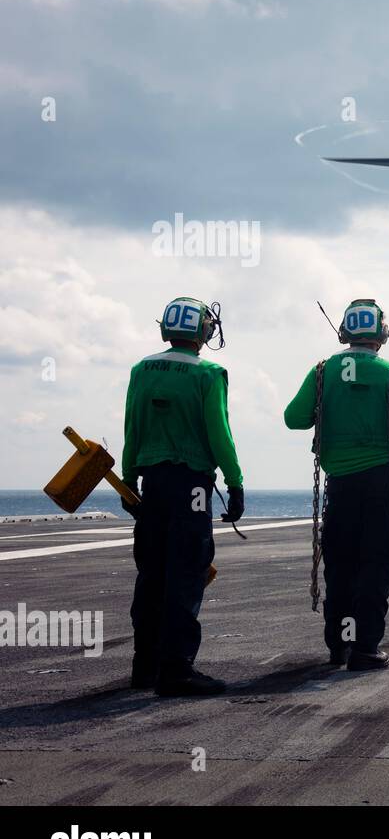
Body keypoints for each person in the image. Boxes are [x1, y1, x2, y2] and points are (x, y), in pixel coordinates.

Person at [284, 299, 389, 671]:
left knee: (341, 565)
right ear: (381, 334)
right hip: (383, 483)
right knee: (377, 564)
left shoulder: (323, 371)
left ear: (345, 332)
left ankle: (341, 645)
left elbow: (293, 418)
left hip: (341, 484)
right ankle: (366, 647)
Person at [122, 297, 243, 697]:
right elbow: (218, 433)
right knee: (187, 574)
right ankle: (176, 670)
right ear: (203, 331)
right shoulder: (210, 373)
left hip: (152, 483)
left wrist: (129, 477)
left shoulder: (142, 369)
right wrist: (236, 481)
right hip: (191, 486)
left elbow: (132, 426)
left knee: (152, 573)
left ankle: (145, 666)